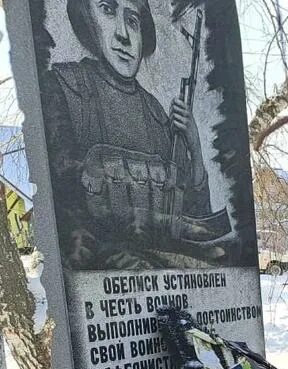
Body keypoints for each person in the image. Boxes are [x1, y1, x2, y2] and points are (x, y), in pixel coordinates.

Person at [39, 0, 231, 268]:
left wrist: (194, 146)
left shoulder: (156, 115)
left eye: (132, 20)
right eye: (107, 9)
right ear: (87, 20)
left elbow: (195, 222)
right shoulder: (63, 90)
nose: (123, 34)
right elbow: (69, 213)